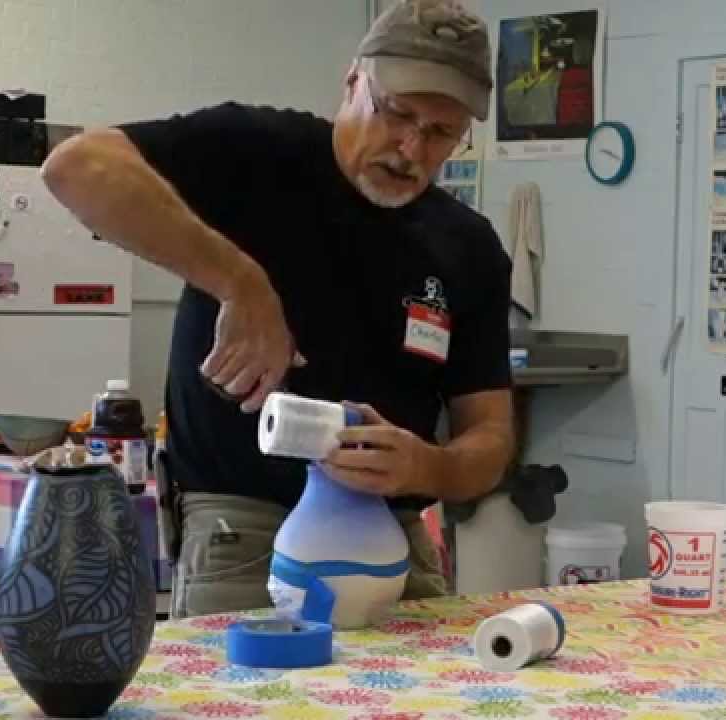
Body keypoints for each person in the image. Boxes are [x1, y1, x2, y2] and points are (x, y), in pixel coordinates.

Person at [41, 0, 515, 615]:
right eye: (396, 113)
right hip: (246, 534)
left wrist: (430, 468)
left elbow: (491, 438)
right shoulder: (261, 154)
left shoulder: (468, 247)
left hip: (391, 540)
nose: (410, 147)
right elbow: (77, 167)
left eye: (440, 132)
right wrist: (242, 283)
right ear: (354, 81)